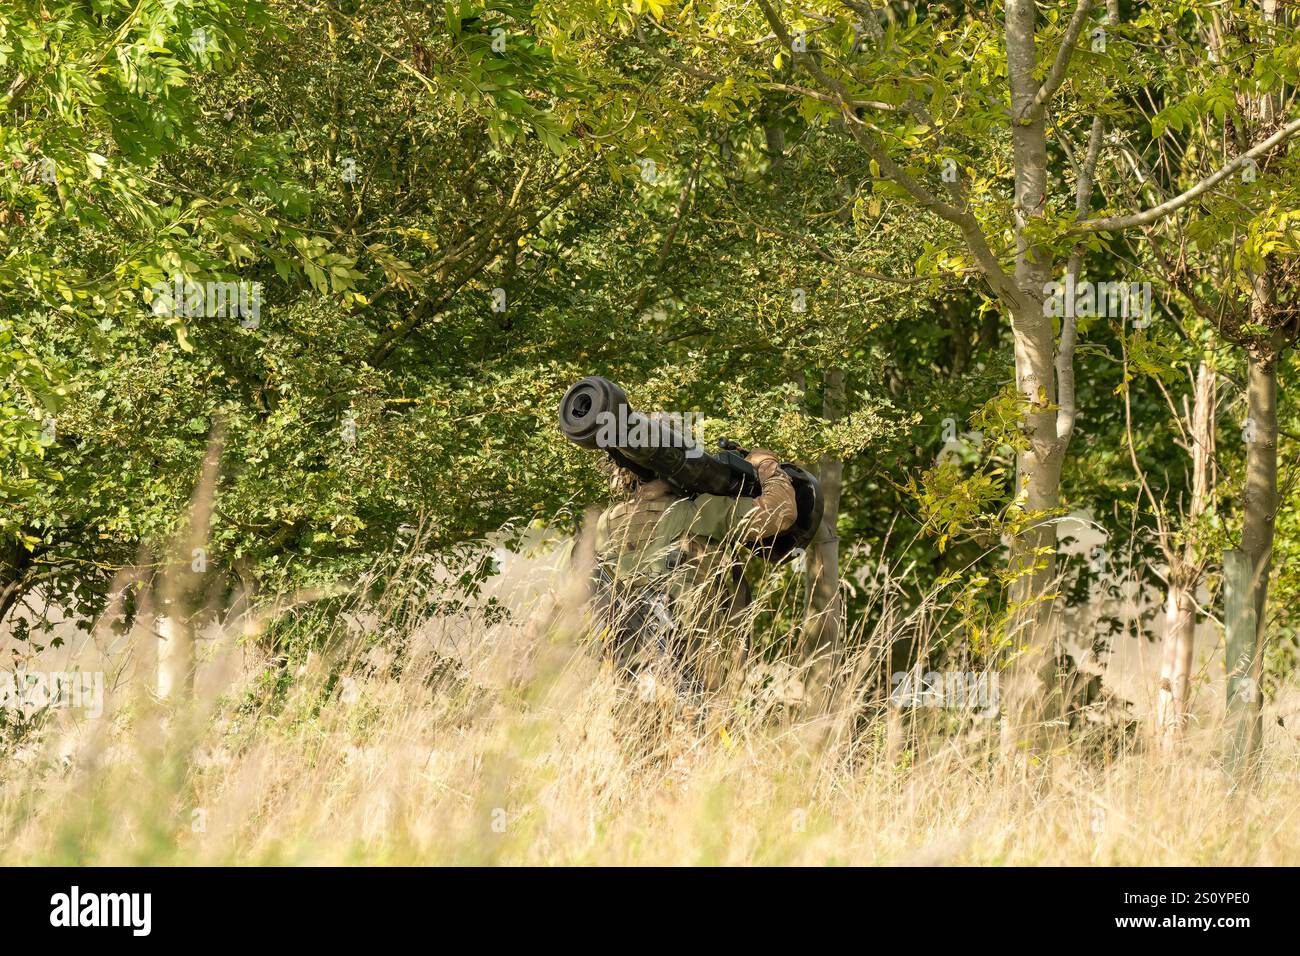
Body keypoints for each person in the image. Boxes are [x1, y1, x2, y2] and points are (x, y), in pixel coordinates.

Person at [591, 448, 797, 694]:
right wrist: (768, 466)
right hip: (694, 661)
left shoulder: (607, 522)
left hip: (628, 666)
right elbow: (780, 511)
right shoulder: (694, 512)